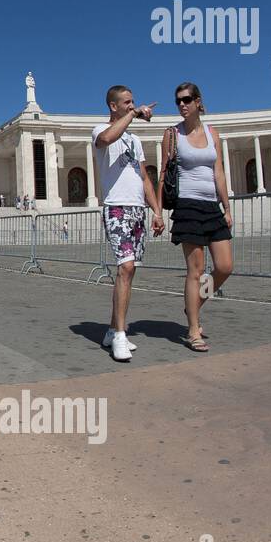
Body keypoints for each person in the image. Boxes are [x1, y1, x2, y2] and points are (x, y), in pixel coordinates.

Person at [158, 81, 234, 352]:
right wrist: (158, 210)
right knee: (197, 271)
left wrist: (227, 207)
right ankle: (193, 329)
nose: (182, 104)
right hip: (187, 206)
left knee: (225, 267)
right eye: (178, 100)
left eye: (187, 99)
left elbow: (219, 172)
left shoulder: (213, 133)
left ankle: (192, 306)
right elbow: (165, 174)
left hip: (211, 206)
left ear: (199, 101)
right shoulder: (172, 134)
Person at [92, 84, 164, 362]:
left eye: (133, 102)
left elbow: (144, 177)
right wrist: (133, 115)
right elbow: (108, 138)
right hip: (117, 207)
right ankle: (120, 335)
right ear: (113, 106)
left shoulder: (135, 141)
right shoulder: (99, 130)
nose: (132, 106)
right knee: (126, 267)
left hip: (137, 209)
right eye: (127, 103)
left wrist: (156, 211)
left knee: (129, 272)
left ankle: (112, 329)